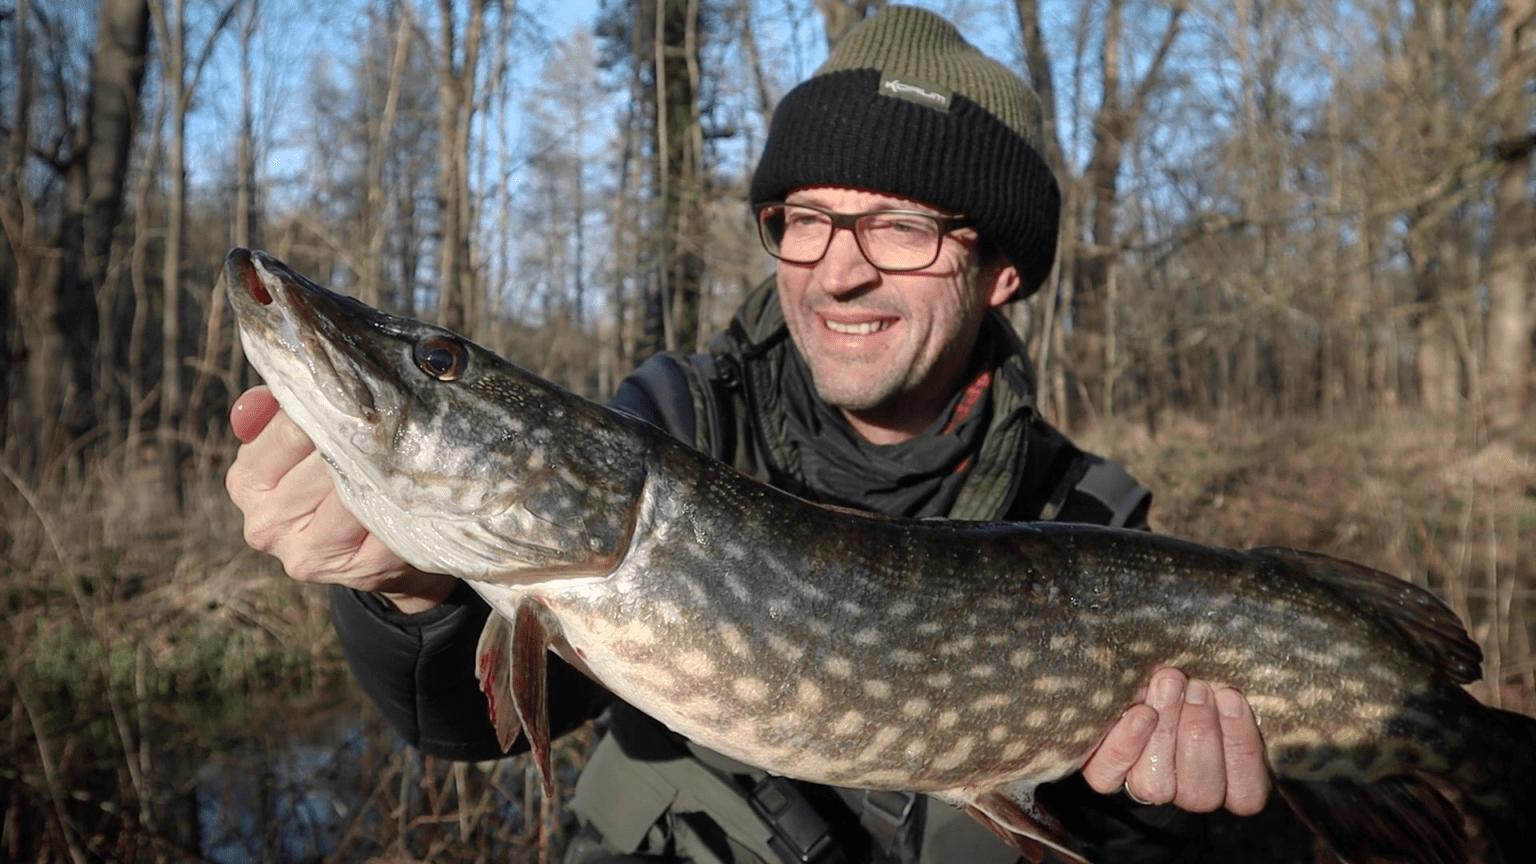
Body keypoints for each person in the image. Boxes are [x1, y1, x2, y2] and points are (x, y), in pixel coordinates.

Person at [227, 7, 1289, 863]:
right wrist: (405, 592)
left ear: (1001, 273)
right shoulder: (680, 423)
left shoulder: (1094, 518)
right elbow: (461, 727)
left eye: (903, 226)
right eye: (808, 217)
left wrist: (1163, 814)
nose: (838, 268)